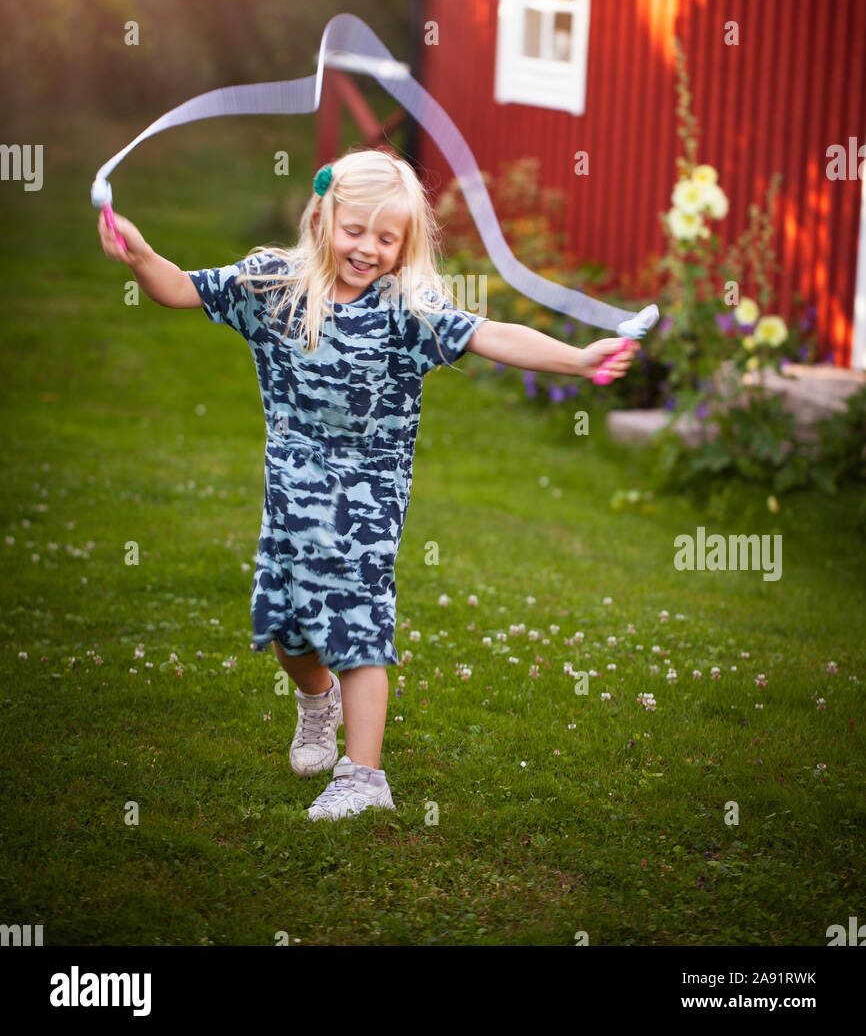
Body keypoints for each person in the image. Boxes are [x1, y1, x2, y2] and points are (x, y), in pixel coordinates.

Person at [97, 147, 637, 821]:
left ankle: (364, 777)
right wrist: (141, 255)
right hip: (292, 494)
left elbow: (493, 334)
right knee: (287, 630)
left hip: (368, 498)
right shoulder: (273, 287)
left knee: (357, 625)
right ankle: (316, 703)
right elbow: (181, 289)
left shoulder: (407, 309)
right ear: (323, 217)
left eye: (388, 238)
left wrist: (580, 362)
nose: (369, 249)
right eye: (356, 231)